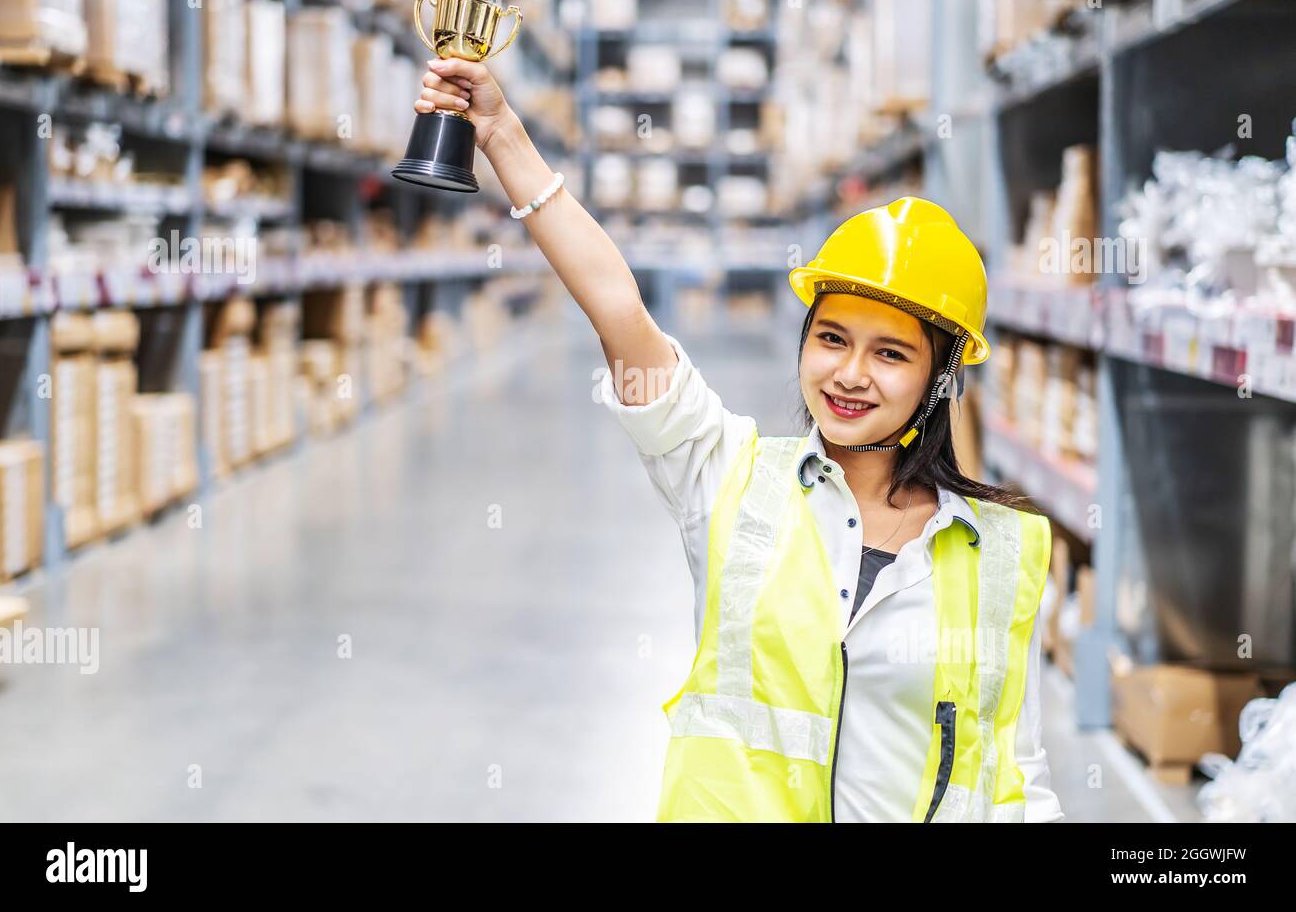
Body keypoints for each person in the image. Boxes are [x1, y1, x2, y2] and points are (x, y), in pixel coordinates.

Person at [418, 56, 1064, 823]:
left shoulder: (1002, 550)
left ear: (940, 374)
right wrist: (502, 136)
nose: (850, 374)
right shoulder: (730, 479)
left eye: (891, 354)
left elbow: (1013, 773)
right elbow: (621, 311)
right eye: (831, 338)